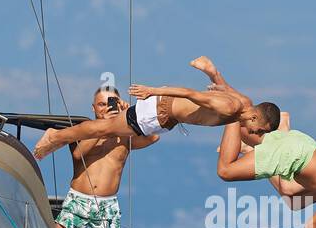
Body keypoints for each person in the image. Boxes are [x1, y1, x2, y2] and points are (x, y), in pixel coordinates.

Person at [53, 87, 159, 228]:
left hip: (107, 205)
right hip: (79, 201)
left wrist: (131, 116)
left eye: (110, 103)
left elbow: (154, 137)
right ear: (94, 108)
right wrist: (105, 125)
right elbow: (78, 153)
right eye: (101, 104)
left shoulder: (125, 137)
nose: (105, 108)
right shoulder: (86, 130)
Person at [32, 56, 253, 159]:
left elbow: (223, 90)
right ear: (254, 120)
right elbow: (190, 93)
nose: (253, 133)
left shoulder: (243, 104)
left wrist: (212, 72)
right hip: (161, 108)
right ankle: (56, 136)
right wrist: (153, 91)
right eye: (255, 131)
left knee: (106, 128)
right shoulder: (230, 109)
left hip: (168, 117)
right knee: (104, 128)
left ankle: (58, 137)